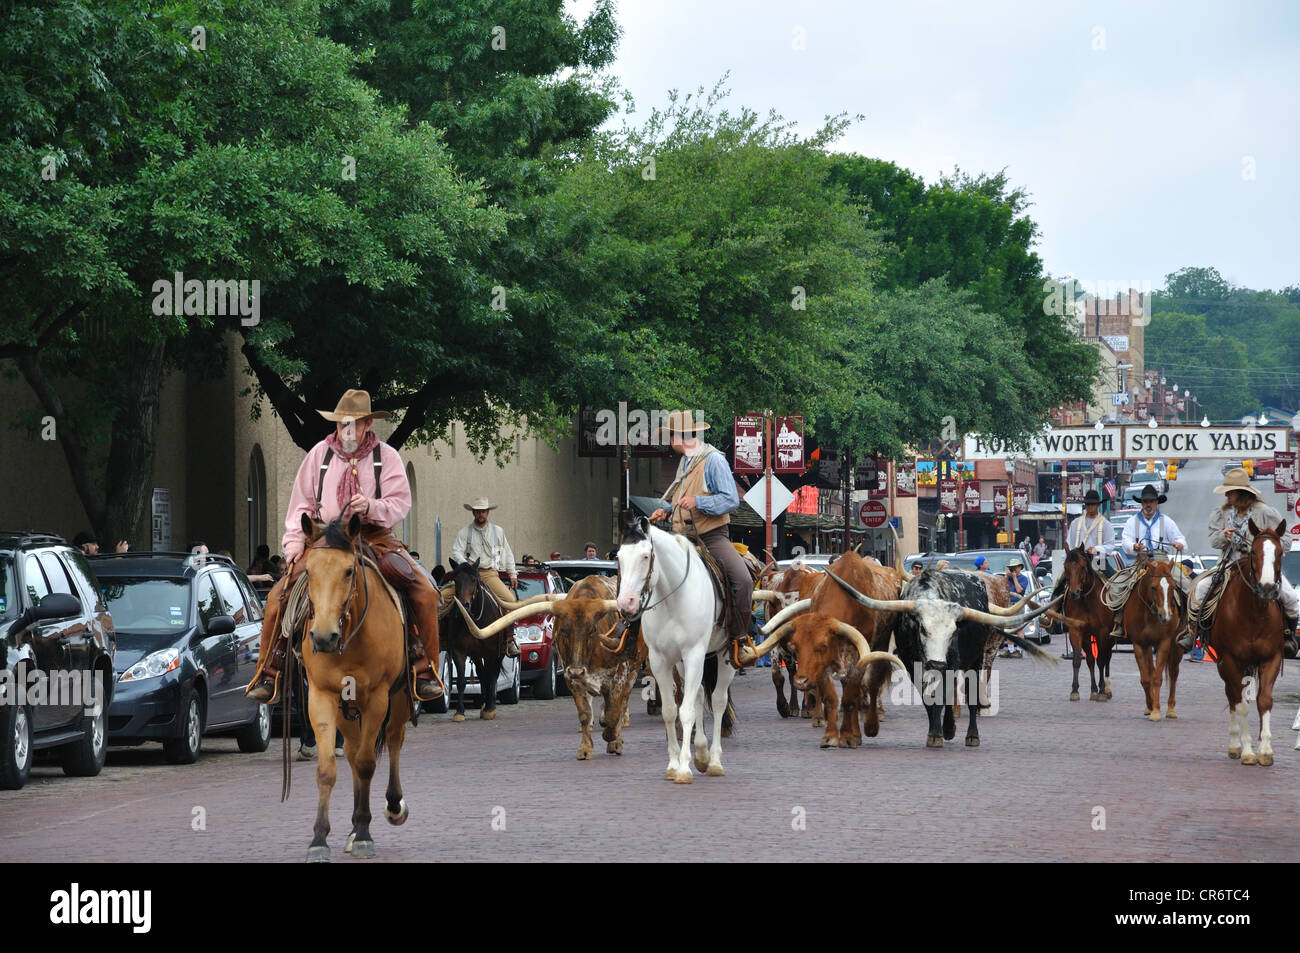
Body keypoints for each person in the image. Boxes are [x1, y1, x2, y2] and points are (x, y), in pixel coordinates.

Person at [245, 388, 443, 704]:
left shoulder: (387, 457)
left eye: (352, 423)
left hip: (375, 536)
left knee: (425, 592)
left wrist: (372, 507)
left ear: (367, 424)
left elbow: (400, 503)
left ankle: (425, 669)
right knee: (277, 597)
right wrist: (295, 546)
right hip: (325, 540)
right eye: (341, 424)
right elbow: (301, 507)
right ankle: (270, 672)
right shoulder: (318, 456)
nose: (346, 430)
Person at [648, 411, 753, 665]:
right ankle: (639, 638)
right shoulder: (685, 461)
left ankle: (740, 639)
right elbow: (682, 499)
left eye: (670, 436)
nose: (669, 441)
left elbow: (730, 500)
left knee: (743, 580)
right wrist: (668, 510)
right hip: (679, 537)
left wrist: (699, 502)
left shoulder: (714, 460)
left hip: (711, 537)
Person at [1178, 468, 1297, 653]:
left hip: (1260, 566)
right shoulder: (1222, 513)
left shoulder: (1265, 512)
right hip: (1229, 565)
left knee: (1290, 597)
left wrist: (1268, 545)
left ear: (1241, 493)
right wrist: (1222, 536)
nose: (1227, 495)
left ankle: (1288, 635)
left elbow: (1286, 537)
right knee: (1200, 588)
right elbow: (1213, 539)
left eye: (1230, 491)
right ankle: (1192, 632)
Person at [1108, 484, 1187, 642]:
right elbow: (1125, 541)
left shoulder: (1167, 522)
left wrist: (1179, 544)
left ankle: (1187, 625)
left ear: (1157, 503)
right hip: (1142, 561)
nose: (1148, 505)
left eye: (1151, 502)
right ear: (1141, 503)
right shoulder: (1132, 522)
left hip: (1163, 561)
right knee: (1117, 584)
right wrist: (1133, 546)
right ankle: (1119, 620)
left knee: (1187, 585)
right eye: (1145, 502)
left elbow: (1180, 538)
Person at [448, 498, 521, 658]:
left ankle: (508, 640)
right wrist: (465, 565)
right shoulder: (464, 532)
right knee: (443, 599)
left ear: (488, 512)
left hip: (489, 573)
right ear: (473, 513)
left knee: (510, 600)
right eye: (478, 511)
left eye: (483, 511)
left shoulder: (498, 531)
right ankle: (445, 636)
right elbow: (456, 552)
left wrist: (512, 573)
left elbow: (507, 553)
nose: (480, 514)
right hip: (468, 574)